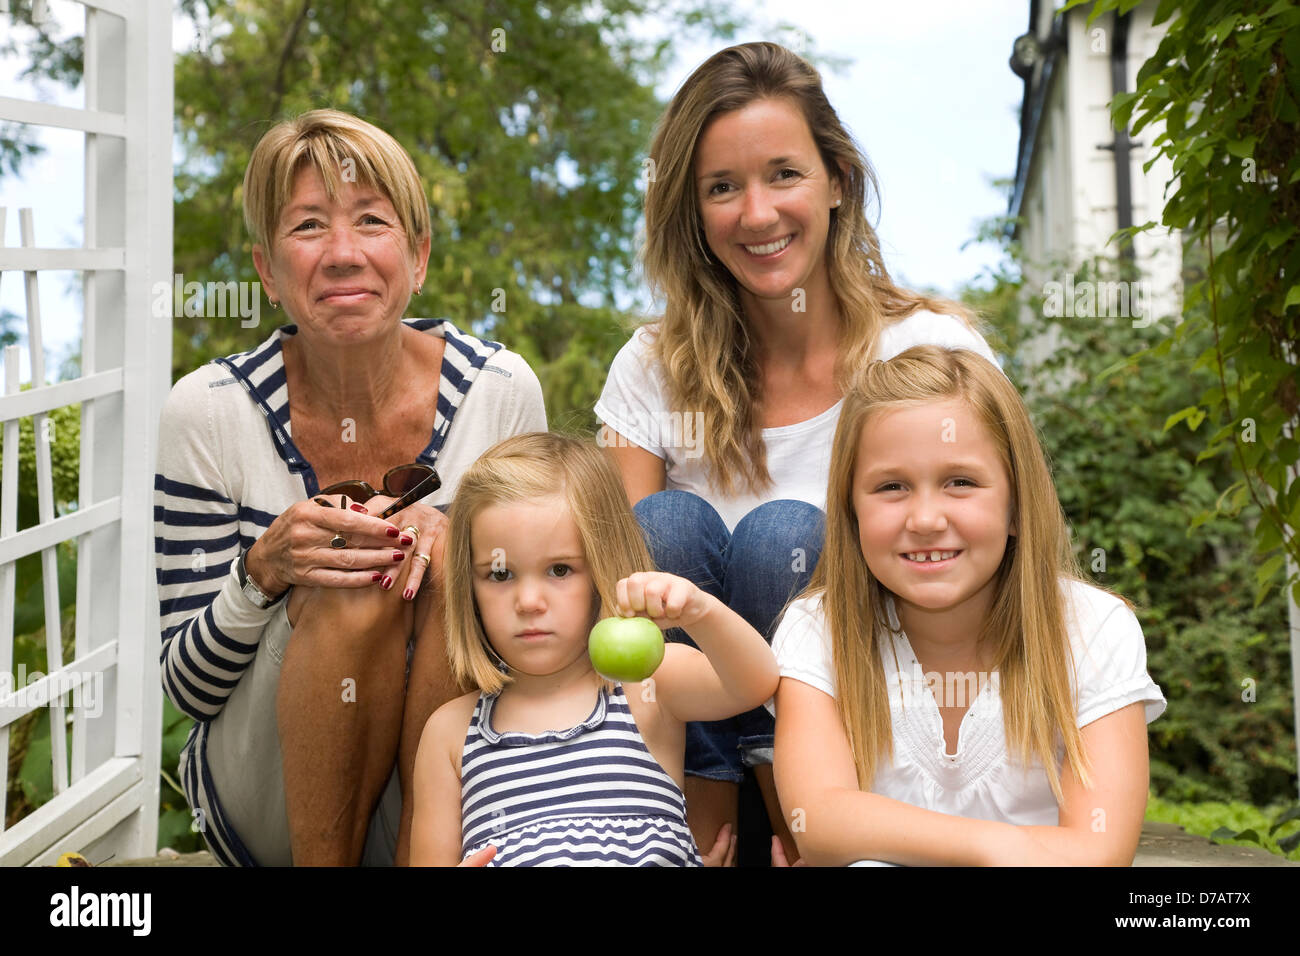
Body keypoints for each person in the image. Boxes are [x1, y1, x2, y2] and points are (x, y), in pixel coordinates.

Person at [594, 41, 1002, 861]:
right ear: (692, 211)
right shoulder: (651, 368)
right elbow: (618, 594)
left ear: (837, 181)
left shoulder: (926, 352)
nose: (756, 213)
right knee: (663, 527)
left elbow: (1001, 535)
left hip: (859, 734)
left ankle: (801, 830)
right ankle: (686, 833)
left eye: (784, 174)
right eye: (722, 187)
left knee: (786, 537)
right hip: (679, 756)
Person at [154, 109, 547, 866]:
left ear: (419, 255)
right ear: (268, 271)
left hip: (458, 790)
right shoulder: (207, 411)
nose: (341, 255)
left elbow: (544, 630)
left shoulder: (499, 391)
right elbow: (187, 694)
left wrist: (464, 553)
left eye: (371, 221)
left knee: (440, 557)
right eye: (307, 227)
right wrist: (264, 572)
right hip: (269, 791)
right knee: (354, 573)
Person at [768, 345, 1166, 865]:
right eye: (892, 486)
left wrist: (871, 832)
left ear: (1018, 506)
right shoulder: (815, 630)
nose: (926, 518)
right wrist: (998, 846)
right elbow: (818, 822)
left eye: (960, 482)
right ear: (850, 513)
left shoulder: (1093, 628)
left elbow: (1102, 853)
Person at [408, 433, 779, 866]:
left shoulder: (646, 688)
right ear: (468, 587)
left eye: (560, 569)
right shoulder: (450, 733)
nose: (529, 602)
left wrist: (699, 611)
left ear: (601, 568)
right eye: (501, 574)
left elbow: (755, 683)